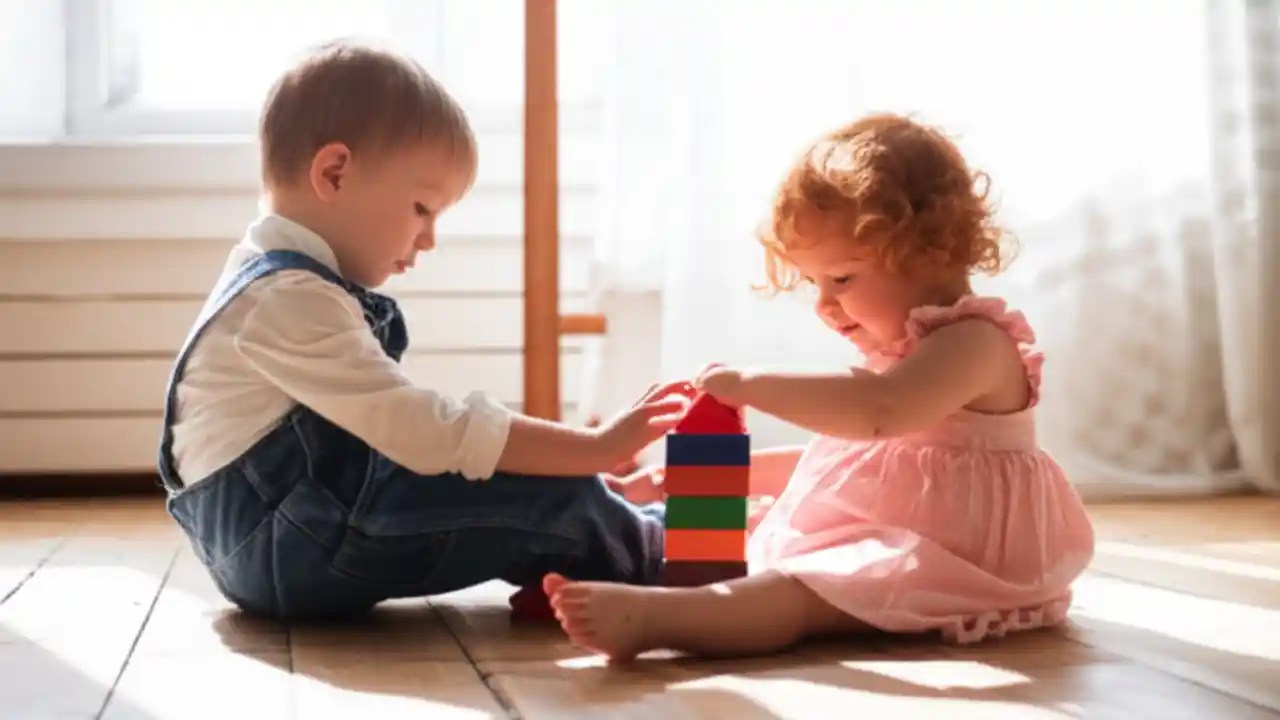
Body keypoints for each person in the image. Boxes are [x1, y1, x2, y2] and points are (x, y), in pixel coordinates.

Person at [156, 39, 687, 619]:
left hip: (278, 537)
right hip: (291, 544)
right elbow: (428, 434)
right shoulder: (288, 298)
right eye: (422, 209)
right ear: (334, 173)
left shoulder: (272, 278)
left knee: (529, 489)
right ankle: (676, 557)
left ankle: (586, 557)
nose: (429, 238)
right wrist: (596, 447)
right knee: (556, 493)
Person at [545, 114, 1096, 660]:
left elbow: (878, 412)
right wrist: (669, 479)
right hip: (898, 536)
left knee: (801, 594)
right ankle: (601, 552)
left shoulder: (974, 344)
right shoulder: (904, 356)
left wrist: (756, 385)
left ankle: (656, 620)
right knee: (743, 533)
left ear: (931, 250)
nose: (824, 305)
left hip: (961, 557)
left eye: (843, 279)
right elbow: (836, 460)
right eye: (815, 283)